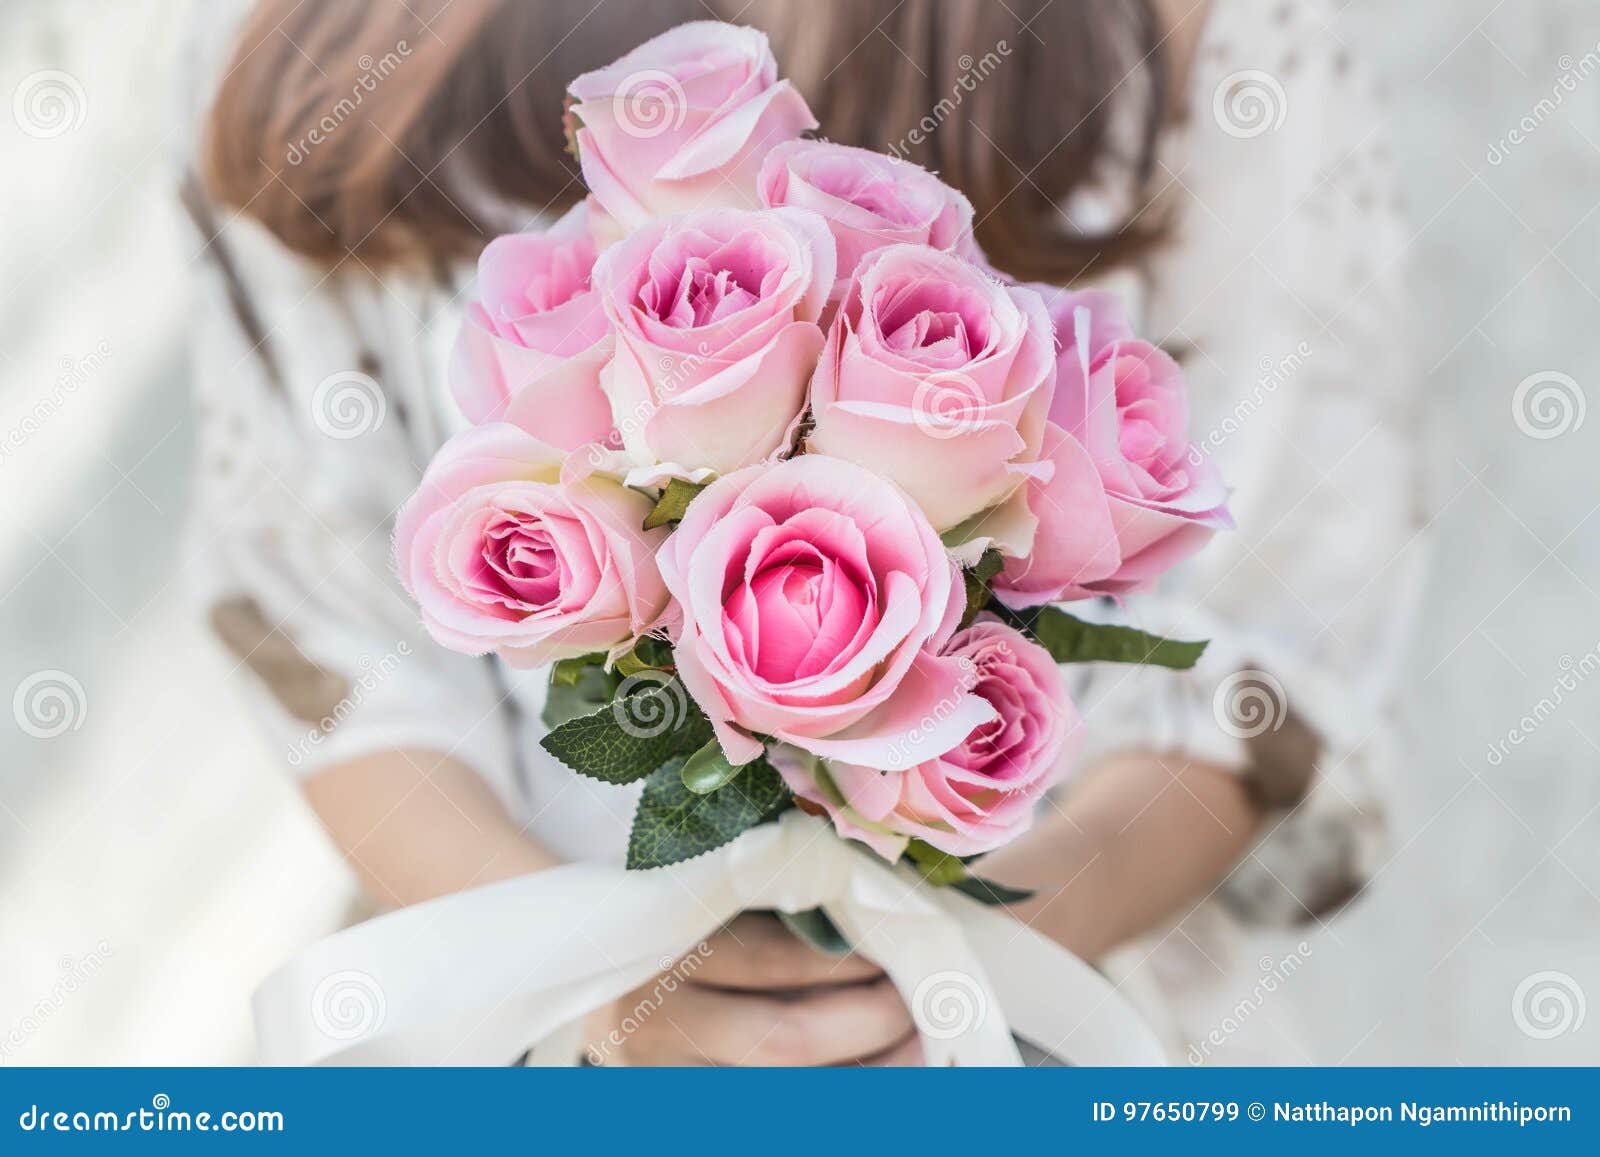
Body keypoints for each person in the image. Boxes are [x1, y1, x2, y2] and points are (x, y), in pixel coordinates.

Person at [185, 0, 1419, 1065]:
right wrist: (593, 974)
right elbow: (322, 628)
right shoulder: (311, 50)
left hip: (1044, 1018)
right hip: (515, 1025)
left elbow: (1271, 652)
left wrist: (950, 968)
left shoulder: (1217, 35)